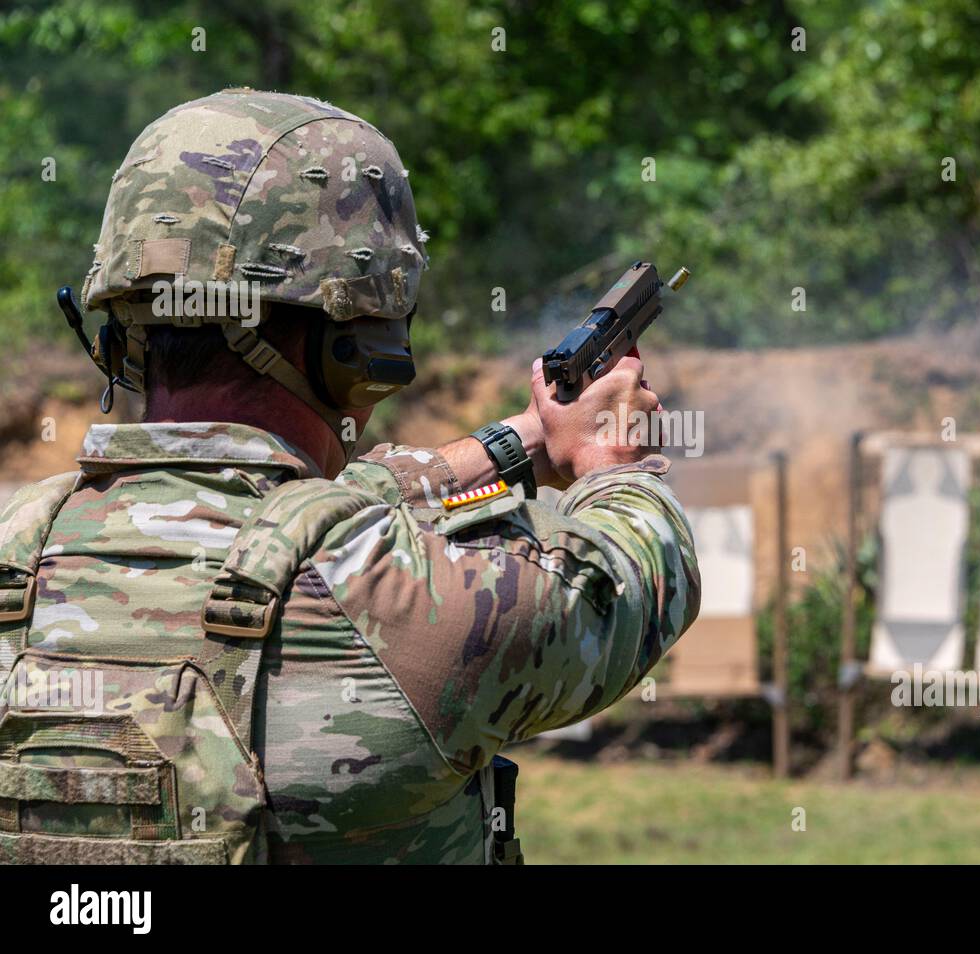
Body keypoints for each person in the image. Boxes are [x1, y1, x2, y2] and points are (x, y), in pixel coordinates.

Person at [0, 88, 699, 865]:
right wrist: (613, 461)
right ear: (354, 350)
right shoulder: (402, 600)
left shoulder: (17, 549)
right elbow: (627, 589)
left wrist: (523, 439)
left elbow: (295, 510)